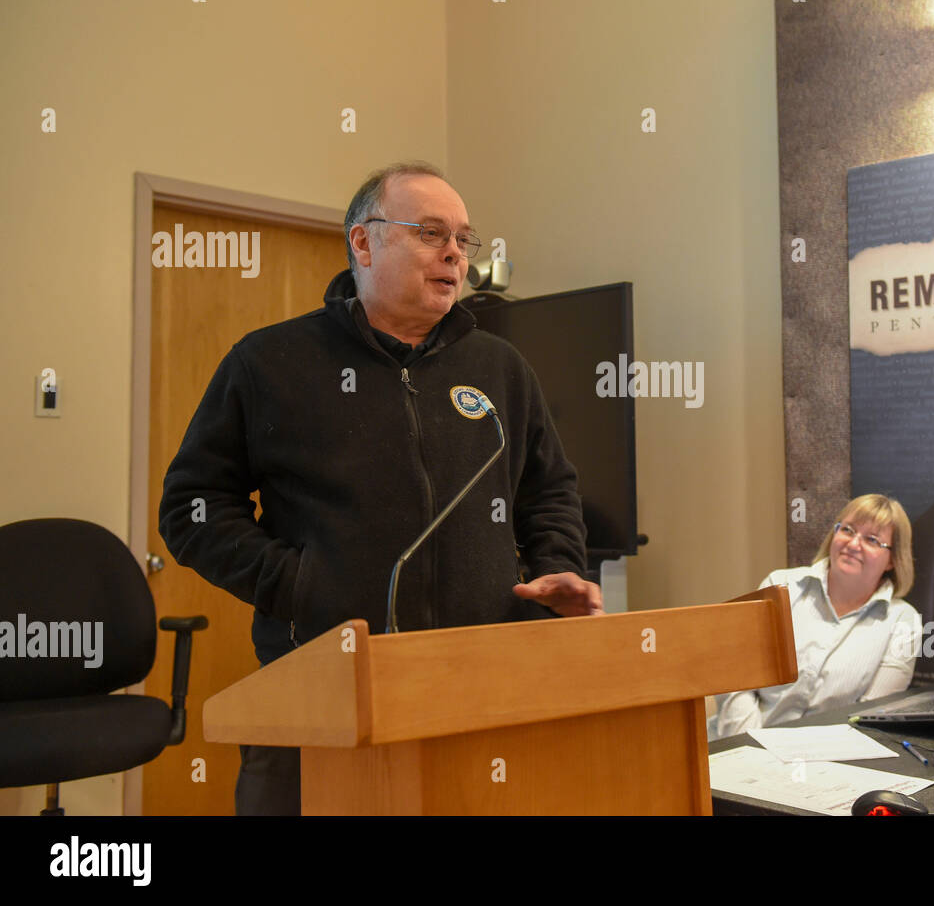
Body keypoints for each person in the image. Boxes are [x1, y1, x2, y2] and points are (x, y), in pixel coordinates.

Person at [158, 162, 602, 814]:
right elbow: (191, 508)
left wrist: (557, 567)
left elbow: (552, 491)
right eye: (430, 232)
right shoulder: (269, 362)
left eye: (463, 239)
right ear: (363, 243)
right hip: (317, 691)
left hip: (477, 687)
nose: (455, 252)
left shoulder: (500, 368)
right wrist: (297, 582)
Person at [712, 493, 921, 738]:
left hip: (829, 762)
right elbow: (736, 674)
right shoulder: (780, 586)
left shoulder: (904, 622)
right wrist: (750, 744)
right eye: (848, 530)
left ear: (892, 561)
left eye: (872, 540)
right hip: (738, 745)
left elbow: (872, 717)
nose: (853, 544)